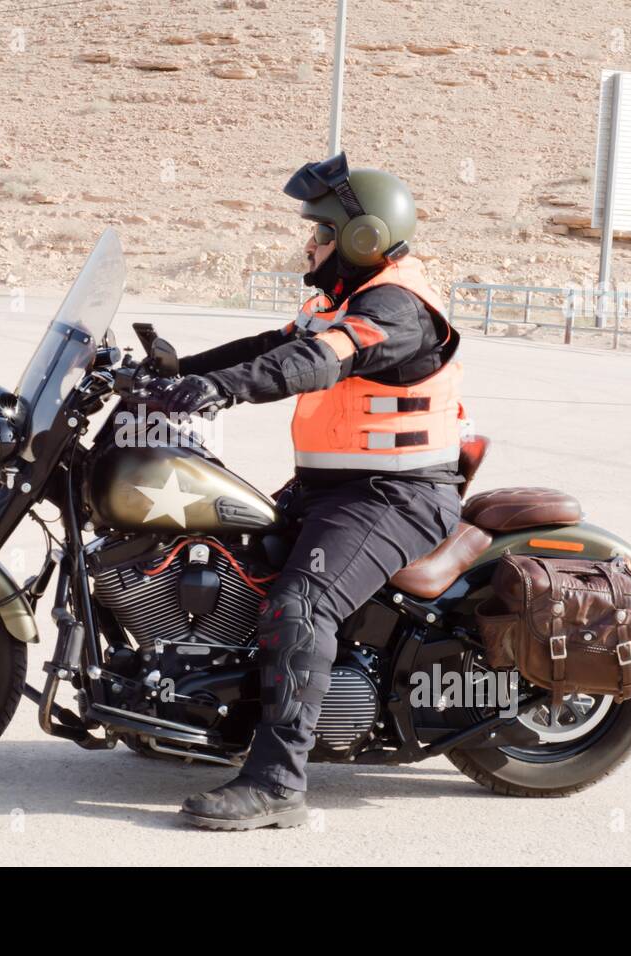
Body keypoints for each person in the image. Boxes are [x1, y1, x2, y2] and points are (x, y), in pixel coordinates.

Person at [152, 153, 467, 830]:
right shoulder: (342, 298)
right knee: (233, 552)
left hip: (396, 497)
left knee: (300, 605)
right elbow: (274, 342)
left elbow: (317, 360)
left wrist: (220, 392)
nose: (310, 244)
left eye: (321, 234)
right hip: (335, 489)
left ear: (362, 239)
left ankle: (278, 785)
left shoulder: (396, 307)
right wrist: (174, 371)